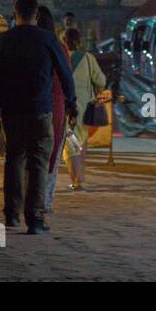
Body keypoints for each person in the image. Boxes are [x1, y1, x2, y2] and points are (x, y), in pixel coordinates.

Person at [0, 0, 77, 234]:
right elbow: (65, 74)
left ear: (15, 14)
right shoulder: (48, 40)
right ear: (36, 15)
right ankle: (34, 218)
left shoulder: (3, 40)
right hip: (40, 108)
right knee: (38, 162)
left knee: (14, 159)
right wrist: (72, 101)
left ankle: (11, 213)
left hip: (11, 110)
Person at [63, 26, 109, 191]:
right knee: (80, 141)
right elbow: (101, 81)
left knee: (70, 144)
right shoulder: (88, 58)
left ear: (64, 41)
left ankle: (77, 180)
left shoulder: (60, 57)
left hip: (66, 107)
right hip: (85, 108)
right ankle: (79, 177)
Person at [39, 6, 66, 214]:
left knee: (25, 154)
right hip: (54, 103)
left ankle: (23, 200)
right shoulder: (58, 45)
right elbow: (65, 78)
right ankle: (45, 201)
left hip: (26, 103)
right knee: (51, 152)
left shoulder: (18, 43)